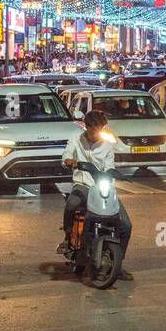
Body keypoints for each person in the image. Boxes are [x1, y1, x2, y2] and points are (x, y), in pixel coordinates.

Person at [61, 110, 132, 280]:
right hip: (83, 185)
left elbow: (109, 166)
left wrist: (112, 173)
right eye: (93, 129)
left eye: (100, 129)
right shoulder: (76, 139)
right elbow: (66, 155)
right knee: (71, 204)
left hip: (102, 187)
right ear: (87, 127)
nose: (96, 133)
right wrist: (69, 161)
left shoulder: (107, 146)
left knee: (126, 225)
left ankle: (118, 262)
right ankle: (67, 237)